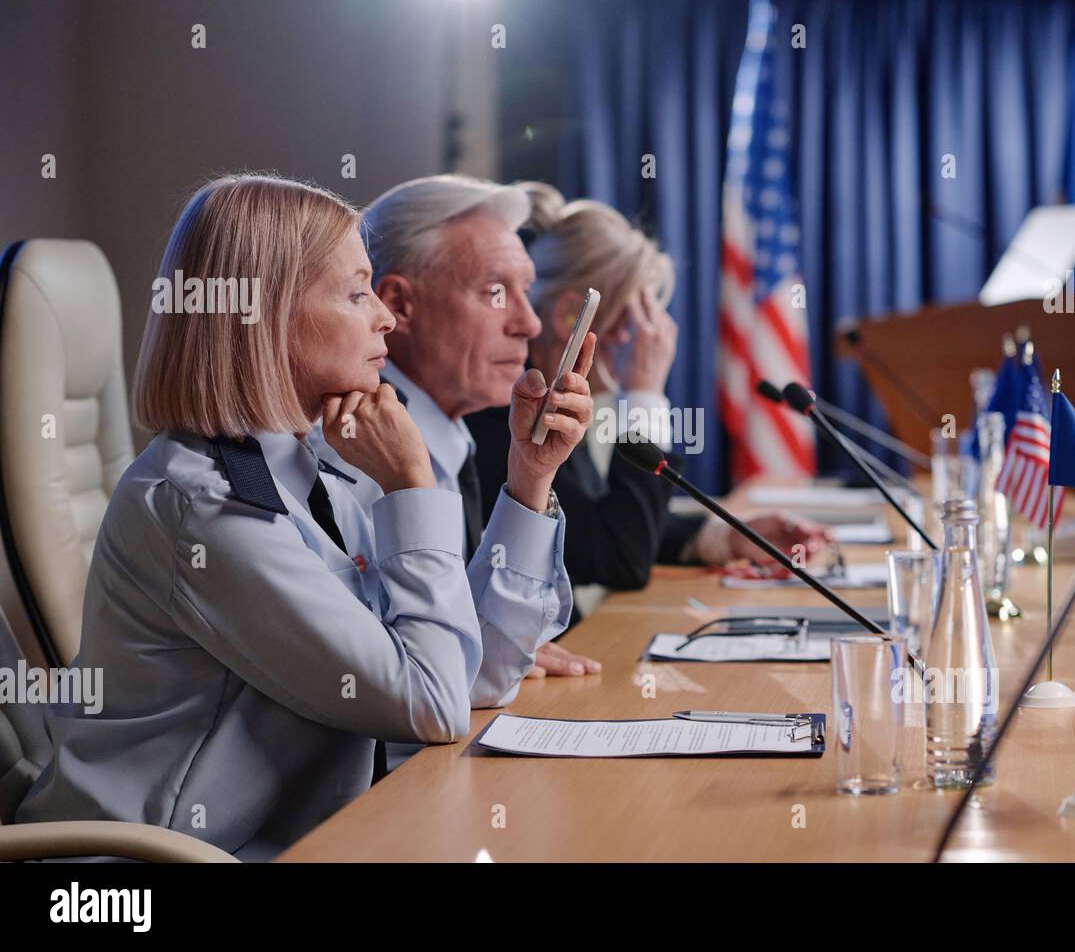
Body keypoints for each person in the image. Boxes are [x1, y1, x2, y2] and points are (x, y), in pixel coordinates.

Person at [16, 173, 590, 860]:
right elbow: (433, 705)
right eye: (355, 292)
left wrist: (530, 481)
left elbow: (472, 674)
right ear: (263, 316)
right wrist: (413, 483)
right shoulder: (208, 507)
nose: (384, 317)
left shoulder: (313, 472)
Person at [465, 182, 826, 624]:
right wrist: (645, 395)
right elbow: (621, 555)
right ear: (568, 317)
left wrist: (724, 537)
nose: (636, 336)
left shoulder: (557, 396)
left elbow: (602, 524)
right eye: (628, 315)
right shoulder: (499, 413)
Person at [310, 174, 603, 678]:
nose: (529, 323)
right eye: (495, 292)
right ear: (399, 305)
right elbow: (427, 684)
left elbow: (485, 660)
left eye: (526, 291)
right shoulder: (351, 453)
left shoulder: (451, 433)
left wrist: (530, 479)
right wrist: (493, 657)